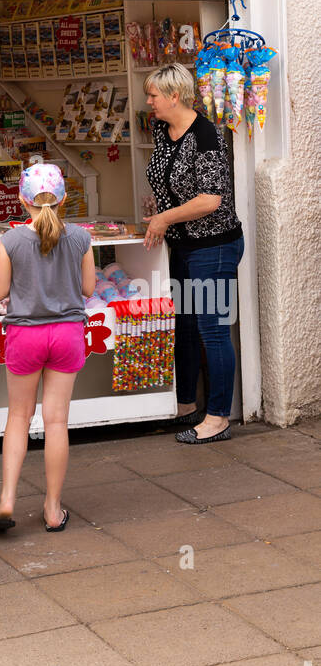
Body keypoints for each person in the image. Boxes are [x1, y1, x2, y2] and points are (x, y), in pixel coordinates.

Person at [0, 163, 95, 534]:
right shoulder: (80, 237)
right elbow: (89, 289)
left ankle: (7, 499)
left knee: (18, 417)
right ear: (63, 198)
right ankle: (52, 508)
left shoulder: (11, 240)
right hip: (66, 335)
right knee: (57, 421)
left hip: (26, 336)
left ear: (21, 199)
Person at [143, 64, 244, 444]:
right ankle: (186, 406)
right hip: (183, 246)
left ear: (174, 96)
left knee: (213, 331)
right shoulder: (162, 130)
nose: (149, 101)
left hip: (213, 246)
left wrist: (163, 218)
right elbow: (167, 178)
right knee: (183, 326)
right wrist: (159, 214)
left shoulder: (205, 134)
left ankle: (217, 418)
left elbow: (211, 199)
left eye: (154, 95)